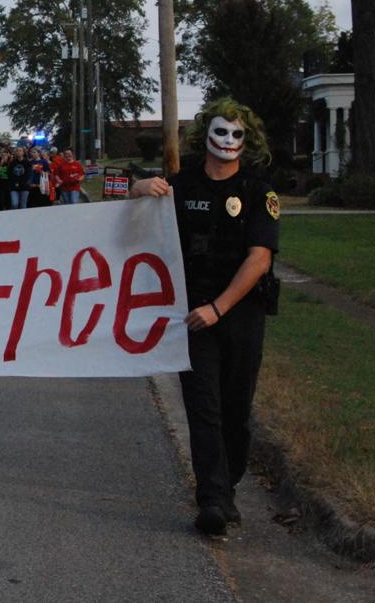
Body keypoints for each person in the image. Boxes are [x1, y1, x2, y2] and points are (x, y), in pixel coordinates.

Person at [130, 98, 279, 537]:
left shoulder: (259, 191)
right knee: (203, 406)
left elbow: (260, 258)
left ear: (246, 140)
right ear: (205, 136)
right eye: (221, 132)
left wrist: (221, 308)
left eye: (237, 134)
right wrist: (139, 191)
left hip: (240, 312)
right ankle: (212, 499)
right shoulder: (182, 184)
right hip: (191, 314)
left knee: (236, 408)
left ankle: (226, 486)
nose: (228, 141)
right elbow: (133, 226)